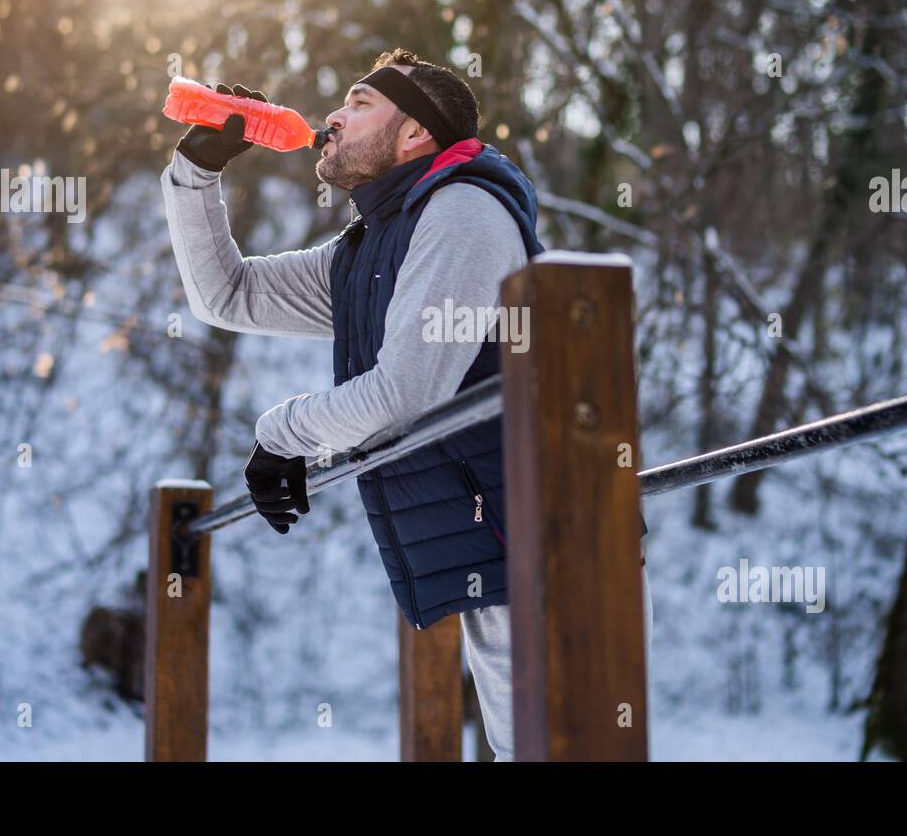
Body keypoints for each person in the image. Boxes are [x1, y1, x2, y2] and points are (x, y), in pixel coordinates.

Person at [160, 48, 652, 760]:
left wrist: (283, 433)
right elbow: (226, 296)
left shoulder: (464, 211)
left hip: (556, 535)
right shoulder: (373, 246)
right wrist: (197, 172)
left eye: (359, 102)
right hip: (499, 537)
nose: (332, 114)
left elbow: (405, 393)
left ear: (417, 133)